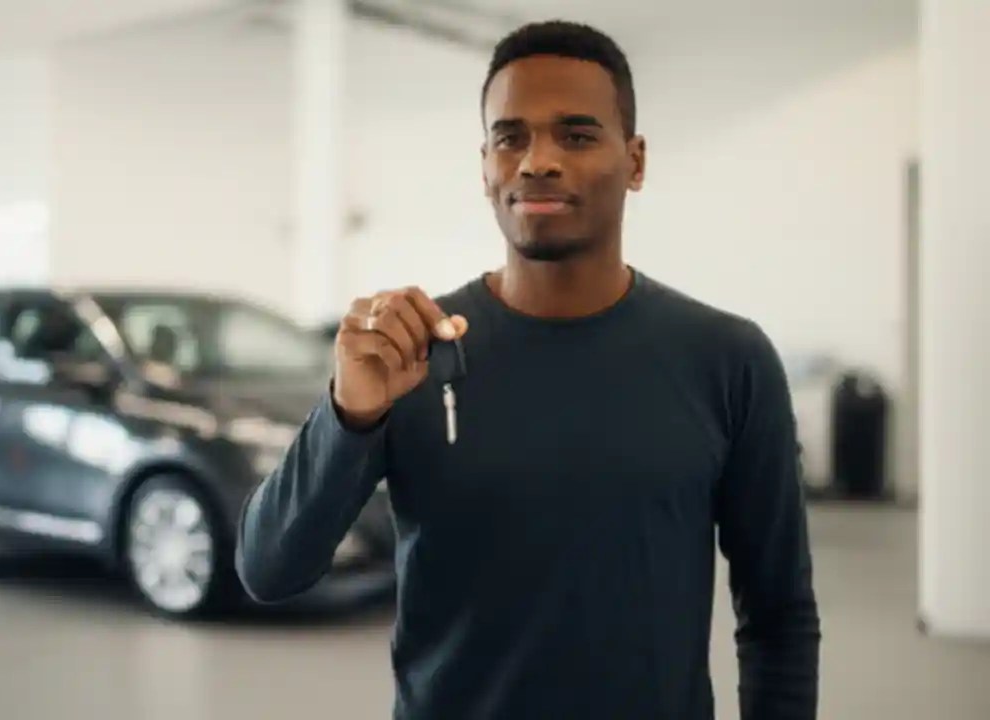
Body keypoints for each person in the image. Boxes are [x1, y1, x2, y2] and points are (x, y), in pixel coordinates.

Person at [235, 19, 820, 720]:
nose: (537, 160)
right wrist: (350, 414)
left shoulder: (726, 359)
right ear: (484, 165)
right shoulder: (414, 353)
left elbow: (779, 617)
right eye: (511, 137)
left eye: (576, 135)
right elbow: (269, 570)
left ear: (635, 162)